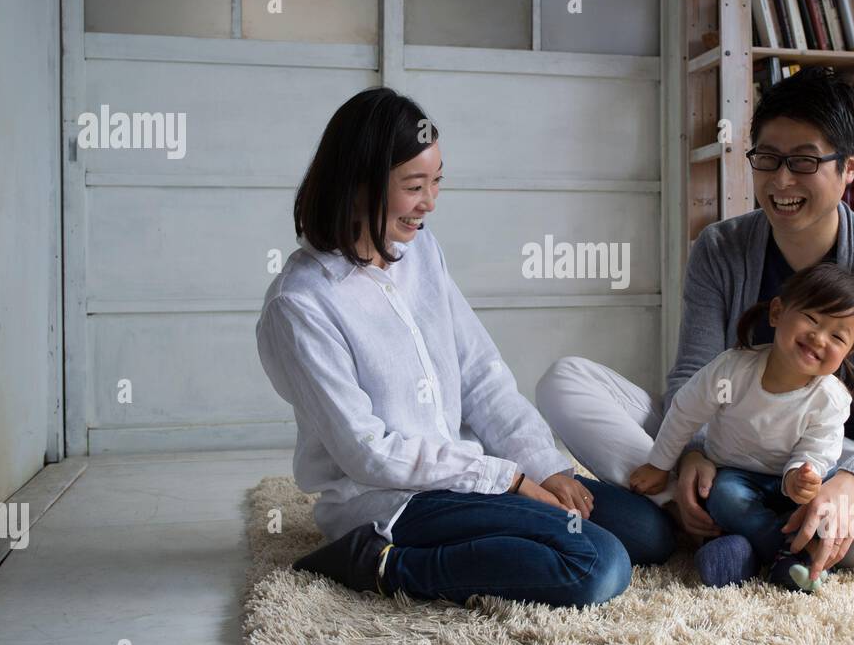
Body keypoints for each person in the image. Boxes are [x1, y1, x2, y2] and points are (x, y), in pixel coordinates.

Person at [256, 87, 674, 608]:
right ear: (359, 186)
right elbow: (367, 453)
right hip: (393, 500)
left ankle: (503, 533)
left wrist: (544, 466)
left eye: (437, 182)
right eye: (414, 186)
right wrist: (509, 478)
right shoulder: (301, 305)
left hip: (467, 476)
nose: (430, 203)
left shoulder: (419, 251)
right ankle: (379, 563)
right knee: (597, 564)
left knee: (650, 534)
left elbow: (480, 374)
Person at [537, 66, 854, 586]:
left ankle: (708, 527)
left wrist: (853, 482)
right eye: (768, 159)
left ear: (849, 167)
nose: (781, 181)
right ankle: (745, 523)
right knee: (564, 381)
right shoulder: (720, 247)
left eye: (803, 162)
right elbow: (693, 372)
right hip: (724, 439)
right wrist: (692, 455)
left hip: (824, 458)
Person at [628, 263, 854, 593]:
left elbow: (817, 449)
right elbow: (685, 412)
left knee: (831, 503)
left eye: (836, 336)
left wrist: (801, 478)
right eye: (812, 320)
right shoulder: (732, 370)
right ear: (777, 312)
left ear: (848, 351)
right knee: (724, 497)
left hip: (791, 485)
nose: (818, 338)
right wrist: (660, 464)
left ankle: (747, 552)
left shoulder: (830, 398)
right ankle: (789, 554)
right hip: (736, 475)